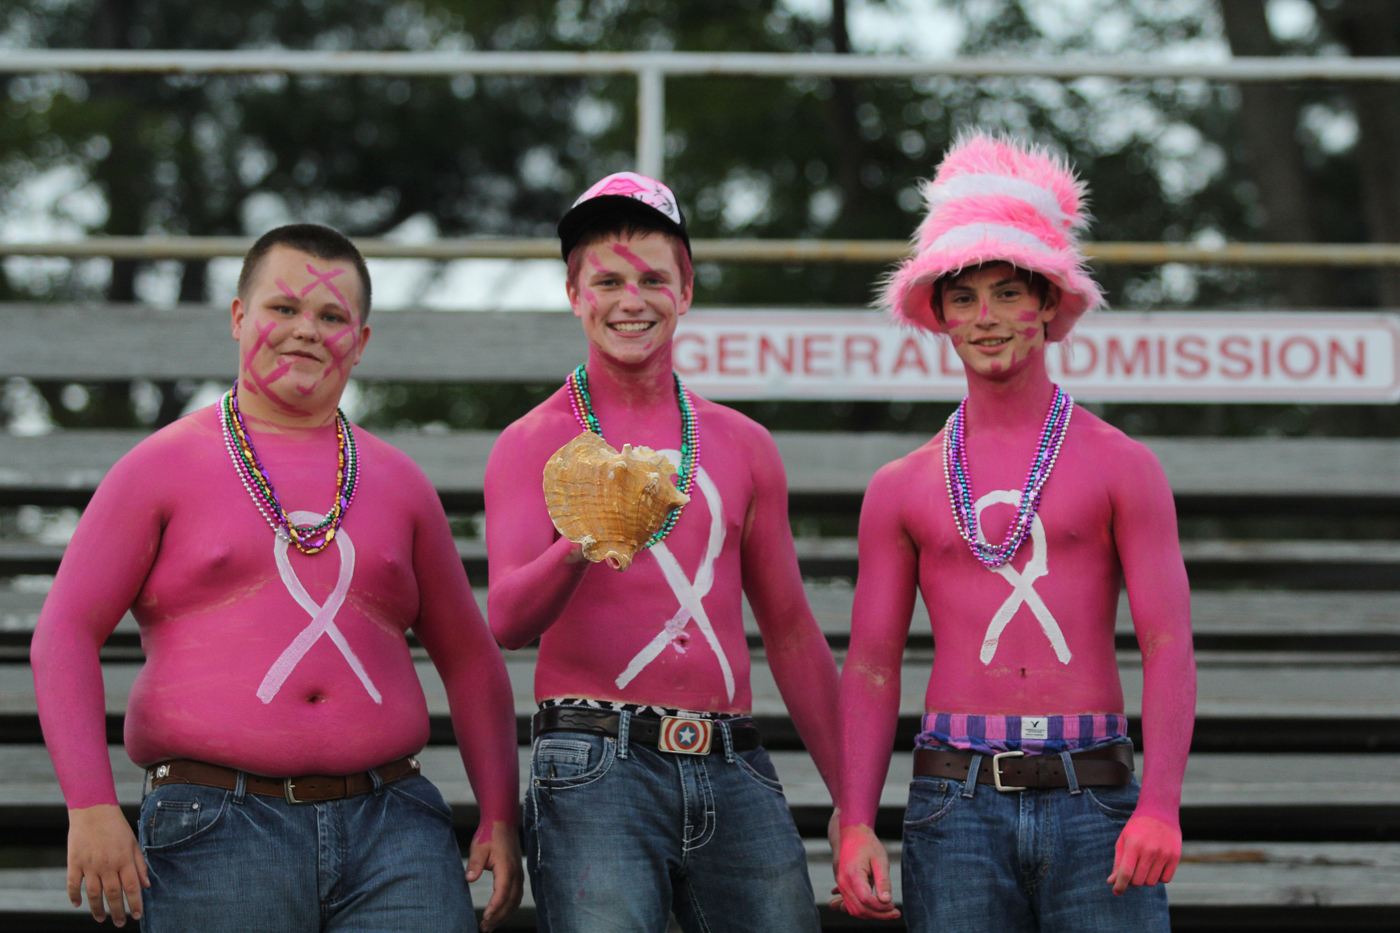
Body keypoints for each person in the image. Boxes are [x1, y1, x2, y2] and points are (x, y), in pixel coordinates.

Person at [31, 224, 522, 932]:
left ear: (360, 339)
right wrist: (90, 804)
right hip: (216, 820)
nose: (306, 331)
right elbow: (65, 633)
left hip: (395, 826)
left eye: (330, 316)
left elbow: (472, 658)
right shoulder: (160, 466)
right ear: (238, 317)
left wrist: (499, 814)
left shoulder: (400, 482)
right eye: (283, 309)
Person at [835, 132, 1196, 932]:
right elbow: (869, 665)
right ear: (938, 315)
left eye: (1007, 292)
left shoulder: (1121, 465)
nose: (987, 317)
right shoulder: (902, 486)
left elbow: (1168, 643)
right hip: (955, 800)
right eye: (963, 297)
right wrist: (856, 817)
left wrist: (1161, 804)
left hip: (1095, 792)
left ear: (1048, 303)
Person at [484, 172, 840, 933]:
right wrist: (584, 540)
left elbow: (790, 629)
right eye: (606, 280)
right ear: (575, 294)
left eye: (653, 278)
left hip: (732, 757)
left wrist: (854, 804)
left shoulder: (743, 443)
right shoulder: (533, 440)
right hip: (592, 761)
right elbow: (507, 618)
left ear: (686, 291)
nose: (630, 300)